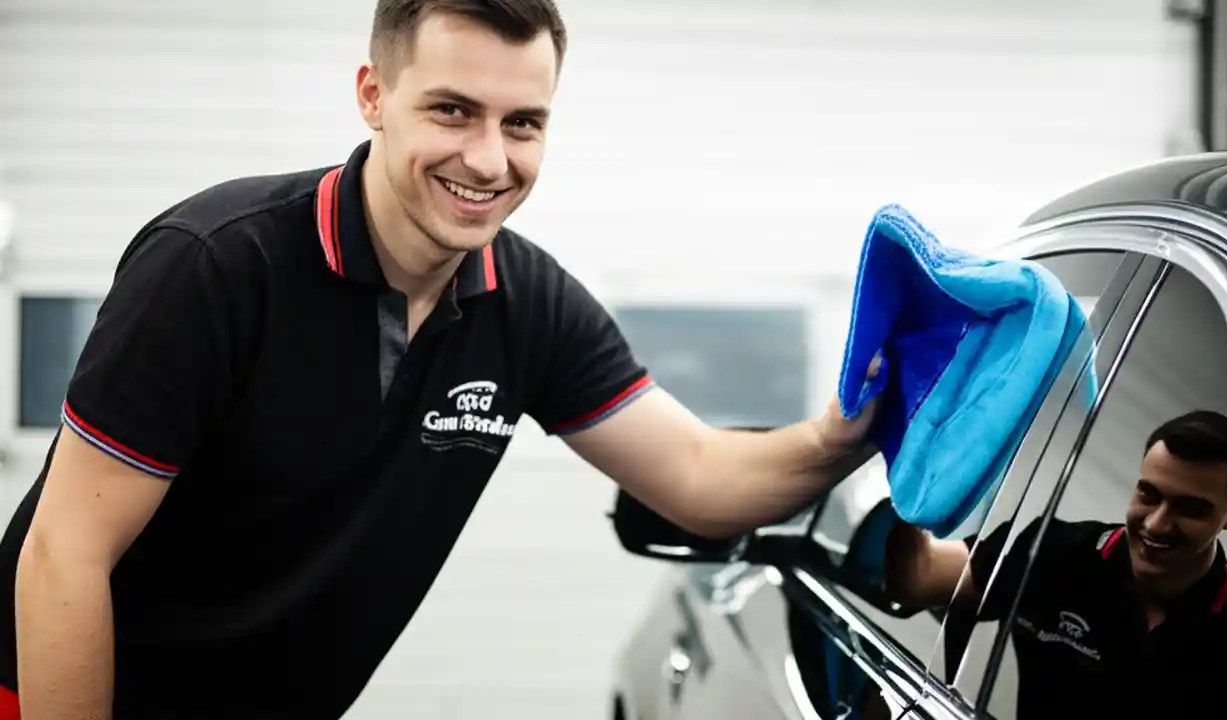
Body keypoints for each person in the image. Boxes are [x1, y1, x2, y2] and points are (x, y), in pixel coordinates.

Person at [0, 2, 881, 719]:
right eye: (452, 110)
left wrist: (853, 429)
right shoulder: (218, 266)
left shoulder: (525, 301)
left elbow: (697, 474)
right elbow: (64, 555)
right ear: (373, 94)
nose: (489, 160)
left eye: (523, 123)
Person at [881, 410, 1227, 719]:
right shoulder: (1055, 552)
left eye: (1190, 508)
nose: (1156, 524)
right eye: (1148, 495)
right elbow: (919, 578)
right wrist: (917, 472)